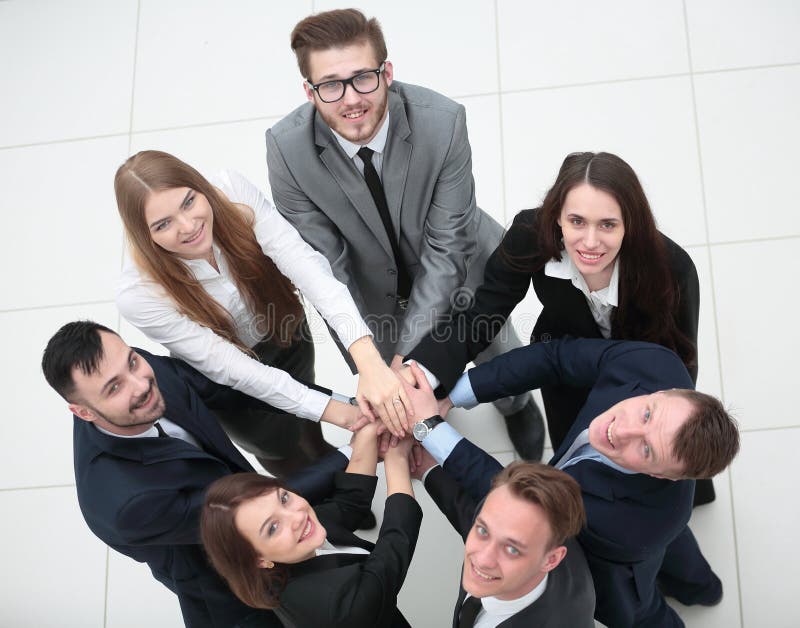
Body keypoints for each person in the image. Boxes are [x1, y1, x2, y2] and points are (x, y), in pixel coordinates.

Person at [265, 8, 545, 460]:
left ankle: (516, 406)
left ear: (387, 72)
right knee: (403, 381)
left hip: (463, 274)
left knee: (498, 354)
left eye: (363, 78)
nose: (351, 98)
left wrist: (406, 361)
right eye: (331, 85)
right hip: (372, 295)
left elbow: (447, 248)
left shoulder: (444, 122)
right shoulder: (286, 150)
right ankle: (429, 398)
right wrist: (374, 366)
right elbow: (325, 272)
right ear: (310, 92)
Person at [406, 151, 714, 503]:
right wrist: (427, 377)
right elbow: (483, 312)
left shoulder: (671, 269)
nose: (590, 242)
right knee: (575, 448)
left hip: (640, 382)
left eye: (608, 225)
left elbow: (682, 360)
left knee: (652, 454)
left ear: (631, 223)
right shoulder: (530, 234)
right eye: (577, 221)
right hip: (560, 361)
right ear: (558, 217)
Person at [41, 320, 354, 628]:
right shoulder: (127, 502)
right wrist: (356, 452)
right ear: (83, 411)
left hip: (259, 520)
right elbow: (248, 509)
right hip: (220, 579)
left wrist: (344, 407)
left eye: (133, 361)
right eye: (114, 387)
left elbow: (237, 390)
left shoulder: (138, 369)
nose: (142, 384)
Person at [115, 150, 405, 478]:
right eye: (163, 224)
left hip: (285, 332)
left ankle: (325, 456)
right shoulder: (139, 294)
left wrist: (369, 362)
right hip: (232, 387)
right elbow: (232, 368)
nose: (188, 226)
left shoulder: (232, 192)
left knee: (307, 413)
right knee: (278, 449)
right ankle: (323, 500)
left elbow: (307, 268)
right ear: (144, 234)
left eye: (188, 202)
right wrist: (340, 413)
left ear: (199, 186)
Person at [410, 339, 739, 627]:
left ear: (660, 475)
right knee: (679, 542)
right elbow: (554, 357)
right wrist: (447, 398)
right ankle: (702, 585)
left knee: (642, 612)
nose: (619, 431)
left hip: (623, 554)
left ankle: (696, 594)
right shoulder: (655, 364)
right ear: (663, 391)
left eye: (647, 448)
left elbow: (516, 501)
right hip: (661, 513)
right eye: (647, 415)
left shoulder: (625, 526)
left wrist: (429, 427)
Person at [404, 362, 594, 627]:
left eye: (512, 549)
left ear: (552, 559)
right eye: (482, 531)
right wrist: (428, 470)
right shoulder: (536, 534)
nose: (481, 559)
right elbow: (469, 512)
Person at [201, 422, 422, 628]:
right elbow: (394, 546)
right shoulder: (335, 607)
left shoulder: (290, 553)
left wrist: (369, 432)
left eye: (284, 498)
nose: (296, 517)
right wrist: (397, 458)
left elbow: (349, 503)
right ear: (259, 559)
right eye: (272, 528)